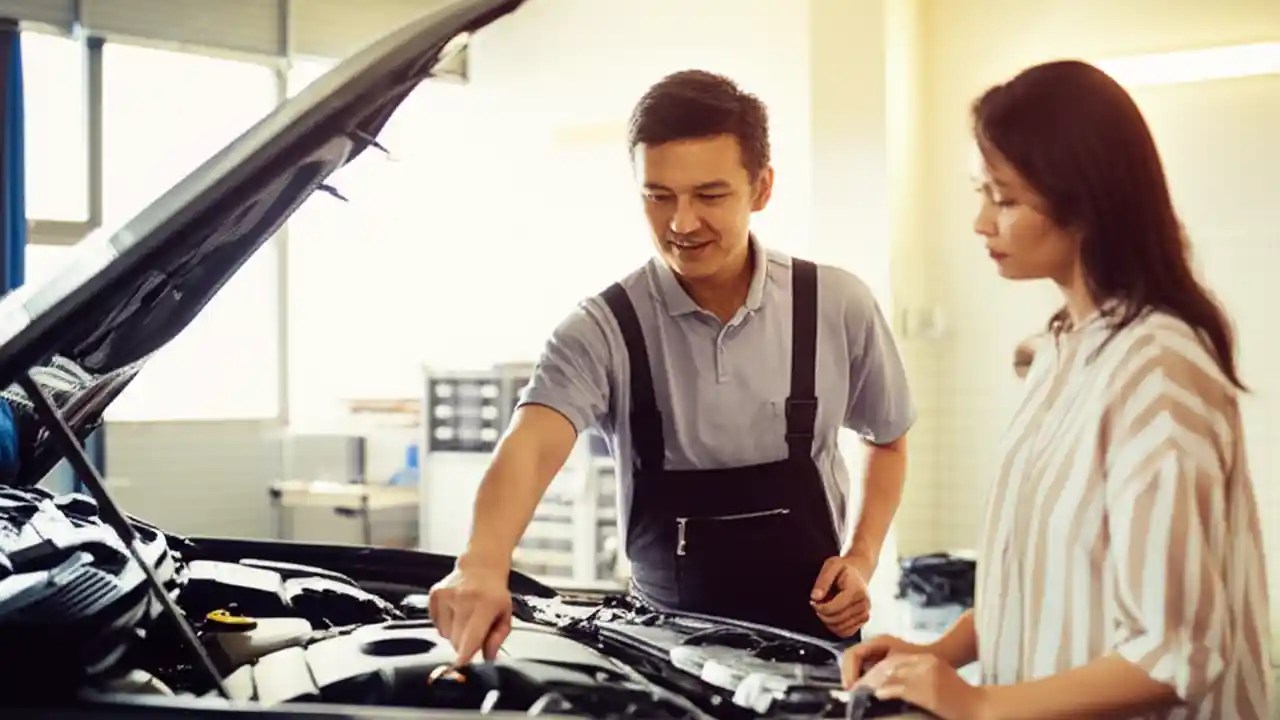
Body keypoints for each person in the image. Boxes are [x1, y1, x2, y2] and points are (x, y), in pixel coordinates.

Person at [428, 69, 915, 664]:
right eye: (659, 197)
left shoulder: (836, 304)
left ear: (761, 188)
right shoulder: (602, 328)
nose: (682, 224)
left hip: (813, 650)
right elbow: (530, 445)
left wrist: (861, 558)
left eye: (710, 196)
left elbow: (887, 439)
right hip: (661, 652)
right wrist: (481, 562)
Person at [840, 60, 1274, 720]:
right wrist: (939, 655)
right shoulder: (1060, 352)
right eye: (981, 192)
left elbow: (1177, 651)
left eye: (1005, 199)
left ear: (1087, 204)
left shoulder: (1159, 370)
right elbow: (1041, 578)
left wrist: (979, 705)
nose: (981, 222)